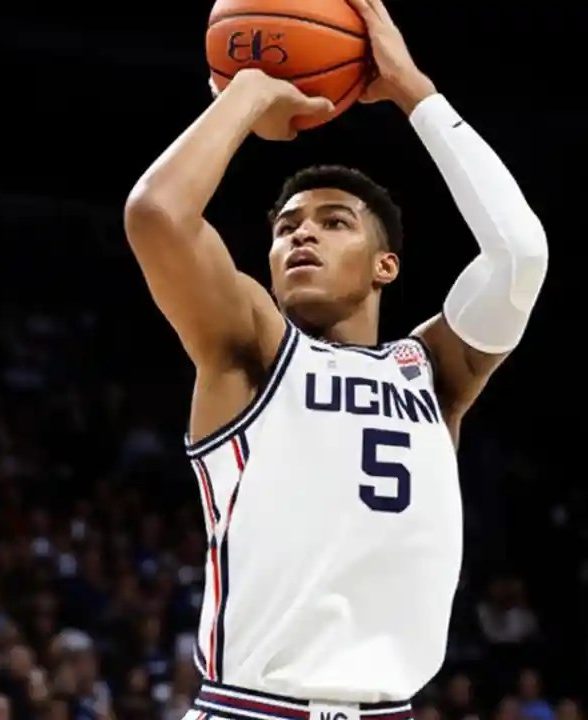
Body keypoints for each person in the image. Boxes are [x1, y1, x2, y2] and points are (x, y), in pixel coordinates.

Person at [122, 0, 548, 716]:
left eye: (334, 222)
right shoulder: (253, 351)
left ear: (386, 265)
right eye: (286, 227)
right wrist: (247, 94)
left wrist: (415, 92)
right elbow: (157, 214)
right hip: (252, 708)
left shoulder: (433, 374)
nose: (302, 236)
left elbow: (521, 254)